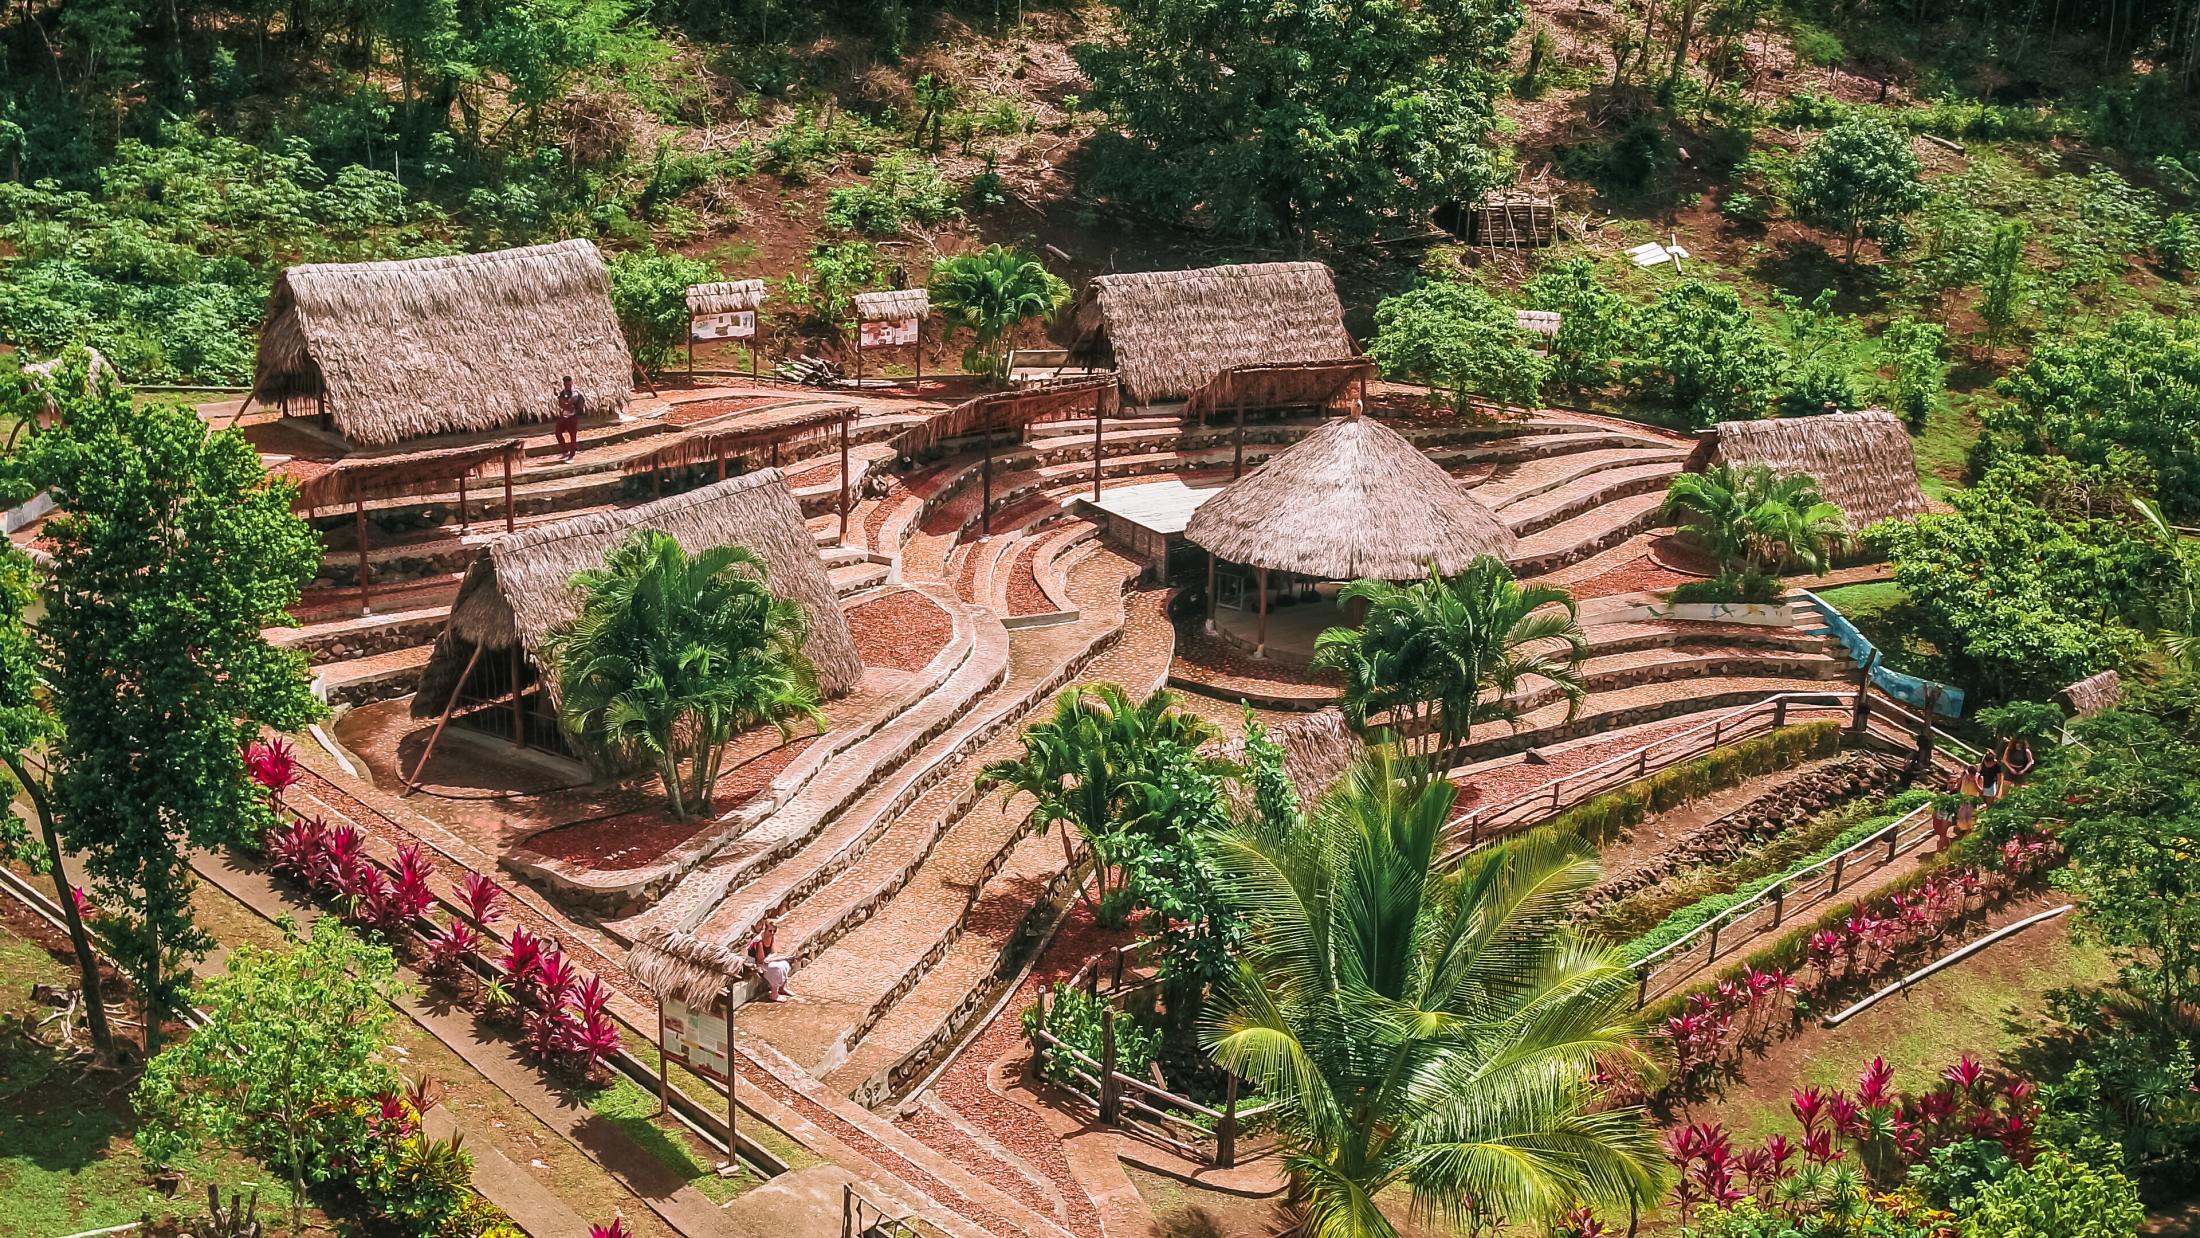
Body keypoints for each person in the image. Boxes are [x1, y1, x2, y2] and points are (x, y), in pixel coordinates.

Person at [746, 918, 791, 1002]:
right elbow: (760, 960)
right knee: (777, 968)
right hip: (756, 963)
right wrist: (770, 959)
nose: (772, 933)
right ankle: (774, 993)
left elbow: (774, 952)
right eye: (770, 931)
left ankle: (782, 988)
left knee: (785, 964)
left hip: (766, 960)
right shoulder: (759, 941)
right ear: (765, 929)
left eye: (774, 931)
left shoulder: (771, 937)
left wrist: (771, 958)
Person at [555, 376, 585, 463]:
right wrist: (565, 403)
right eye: (566, 384)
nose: (568, 385)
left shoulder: (575, 393)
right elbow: (562, 404)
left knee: (573, 436)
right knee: (558, 432)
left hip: (572, 417)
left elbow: (569, 404)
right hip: (564, 416)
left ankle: (571, 456)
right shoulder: (563, 392)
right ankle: (565, 451)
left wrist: (566, 403)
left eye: (569, 384)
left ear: (571, 383)